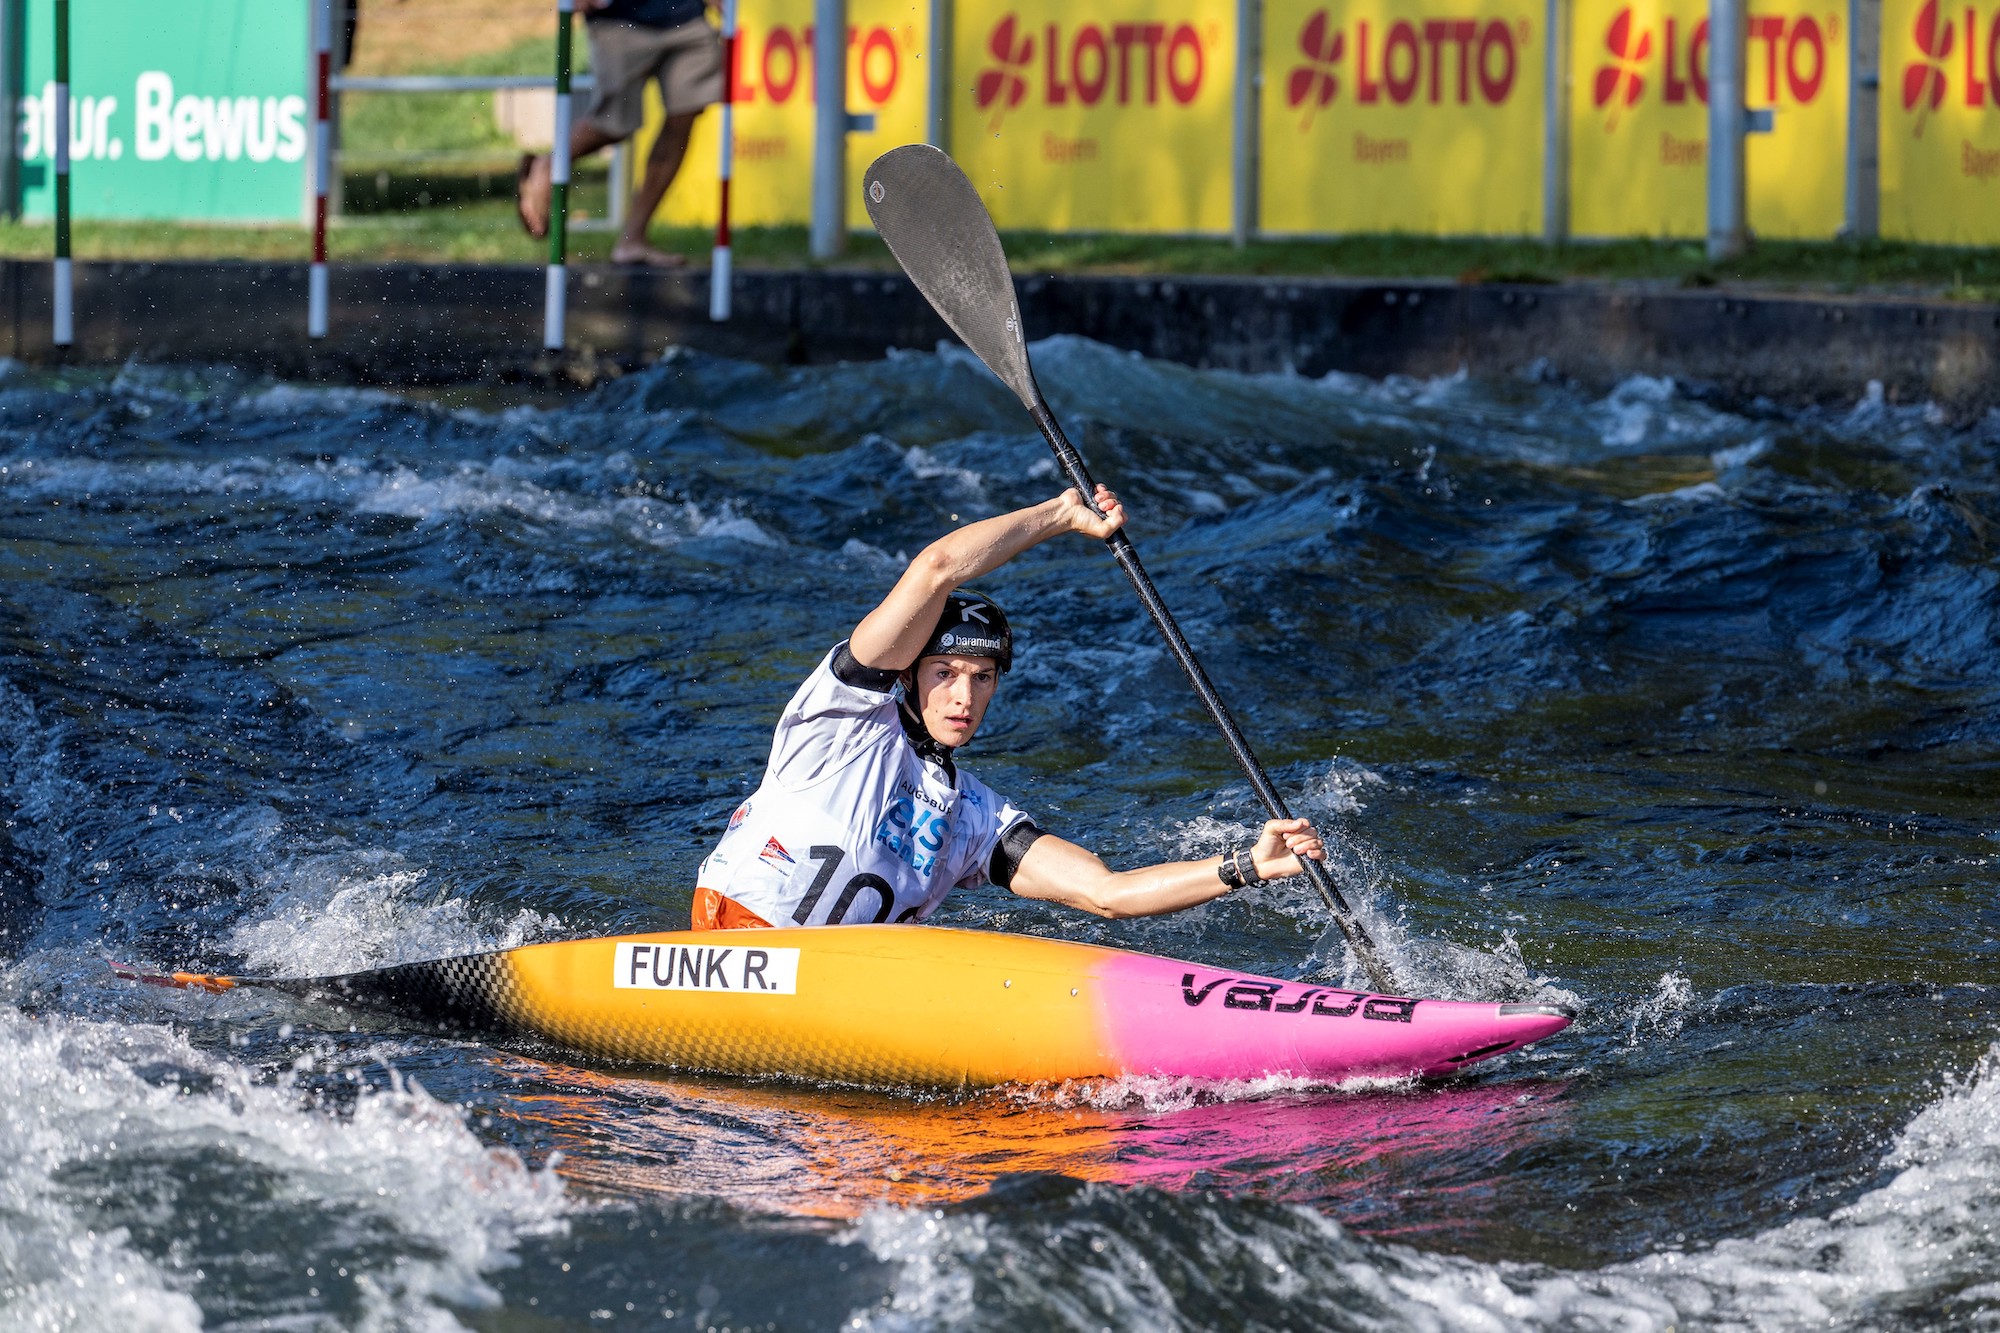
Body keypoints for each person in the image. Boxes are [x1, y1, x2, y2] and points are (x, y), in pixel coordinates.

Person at [691, 485, 1328, 931]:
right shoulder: (839, 720)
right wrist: (1060, 515)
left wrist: (1244, 866)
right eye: (944, 673)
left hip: (843, 987)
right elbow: (936, 569)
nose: (964, 696)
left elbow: (1107, 894)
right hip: (733, 941)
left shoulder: (971, 816)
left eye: (983, 677)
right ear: (910, 672)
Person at [517, 0, 721, 267]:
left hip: (687, 17)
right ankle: (548, 164)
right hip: (620, 20)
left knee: (684, 118)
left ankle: (632, 239)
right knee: (613, 124)